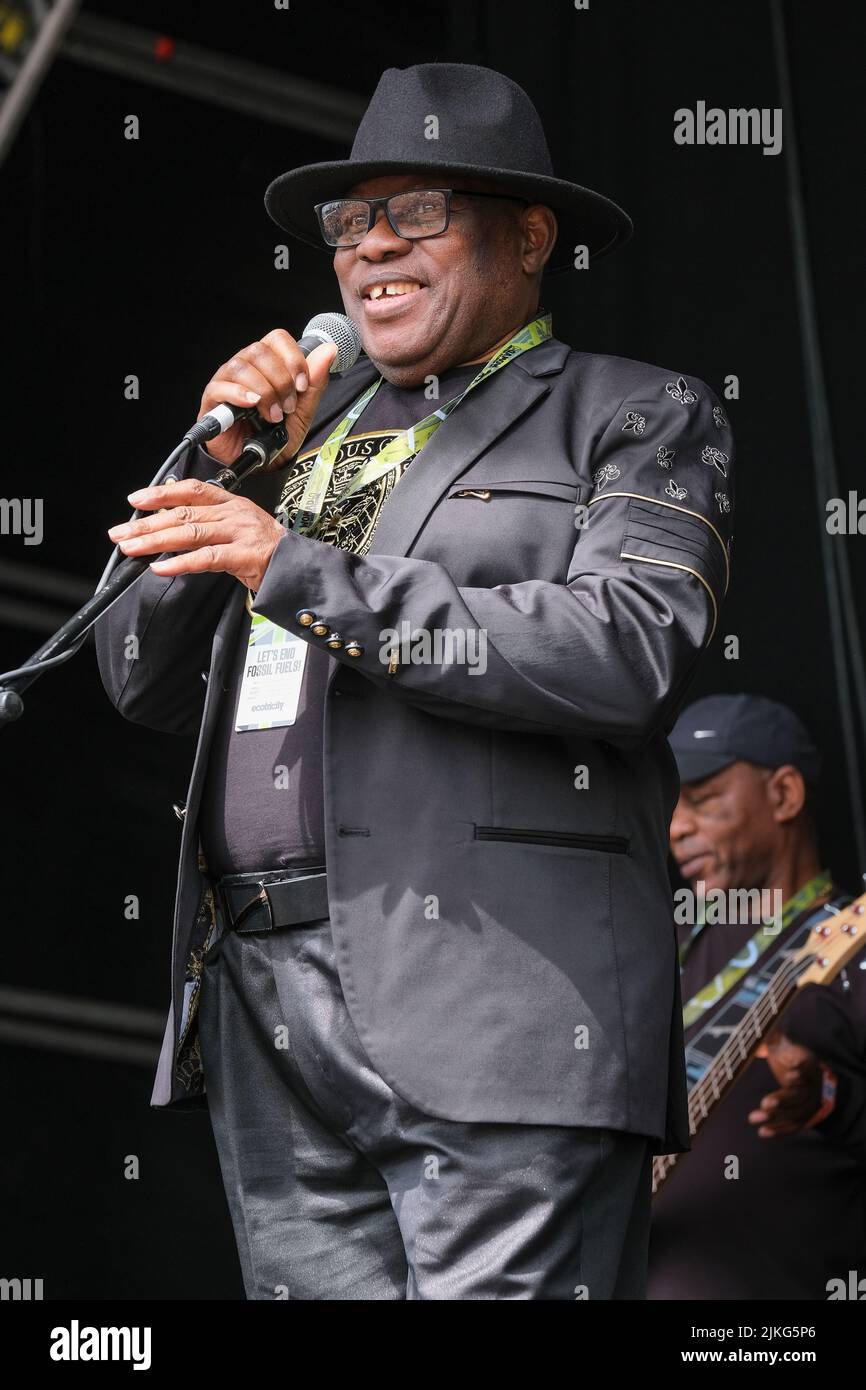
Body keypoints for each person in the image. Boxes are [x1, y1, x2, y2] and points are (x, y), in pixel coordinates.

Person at [96, 62, 735, 1300]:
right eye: (349, 223)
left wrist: (299, 569)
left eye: (416, 213)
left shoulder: (632, 411)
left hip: (501, 1007)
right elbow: (133, 677)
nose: (370, 247)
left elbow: (623, 645)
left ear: (531, 235)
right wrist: (230, 470)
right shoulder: (306, 446)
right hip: (267, 1006)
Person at [649, 693, 866, 1300]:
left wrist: (829, 1099)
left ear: (784, 795)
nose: (676, 827)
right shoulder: (653, 947)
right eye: (670, 806)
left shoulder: (849, 946)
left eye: (703, 799)